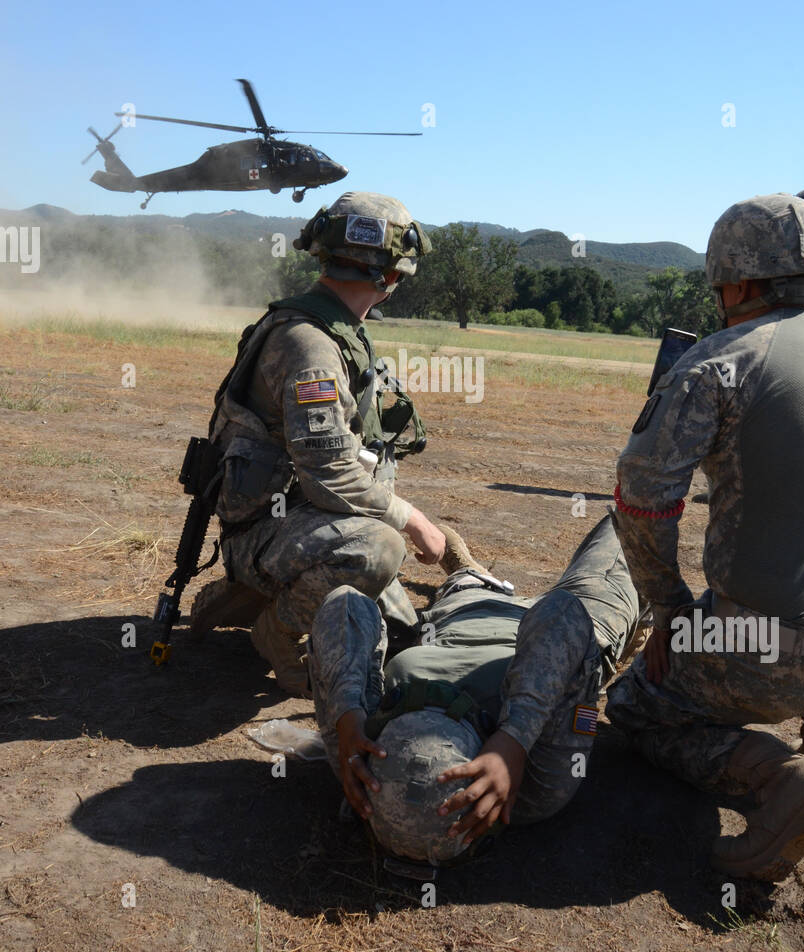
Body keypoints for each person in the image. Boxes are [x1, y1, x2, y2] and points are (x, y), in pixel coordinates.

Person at [606, 192, 804, 882]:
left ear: (740, 282)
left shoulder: (721, 361)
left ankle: (786, 783)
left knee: (634, 707)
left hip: (758, 652)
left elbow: (643, 504)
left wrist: (668, 612)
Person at [188, 191, 448, 694]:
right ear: (390, 276)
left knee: (404, 642)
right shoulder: (311, 345)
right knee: (377, 551)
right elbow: (330, 475)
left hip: (302, 517)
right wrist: (416, 523)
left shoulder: (333, 327)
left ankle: (256, 596)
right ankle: (276, 629)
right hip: (267, 530)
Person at [307, 514, 644, 867]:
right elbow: (562, 615)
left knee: (456, 583)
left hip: (460, 615)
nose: (432, 707)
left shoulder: (359, 755)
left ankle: (468, 573)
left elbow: (346, 603)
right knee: (631, 520)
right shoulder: (539, 788)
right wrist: (515, 739)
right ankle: (645, 621)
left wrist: (346, 712)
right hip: (575, 631)